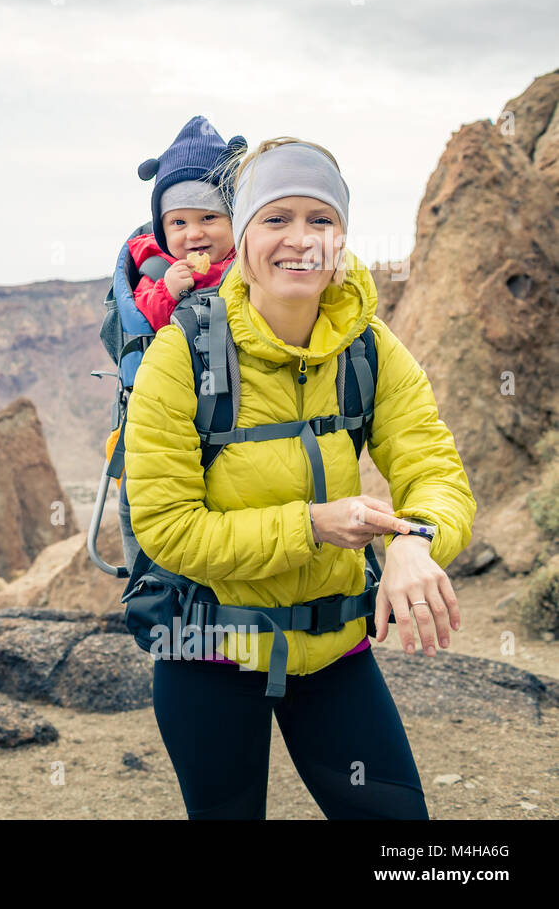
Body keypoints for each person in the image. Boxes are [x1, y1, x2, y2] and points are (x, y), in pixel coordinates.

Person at [121, 137, 477, 819]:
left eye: (320, 220)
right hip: (208, 653)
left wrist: (414, 540)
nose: (300, 240)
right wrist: (313, 526)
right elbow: (166, 527)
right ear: (244, 234)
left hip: (335, 650)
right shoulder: (182, 355)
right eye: (275, 219)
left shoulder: (368, 345)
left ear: (341, 237)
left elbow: (433, 468)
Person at [131, 115, 242, 331]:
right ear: (162, 231)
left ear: (235, 221)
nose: (194, 234)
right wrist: (168, 293)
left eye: (209, 217)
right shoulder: (158, 271)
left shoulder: (251, 260)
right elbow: (141, 325)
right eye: (179, 222)